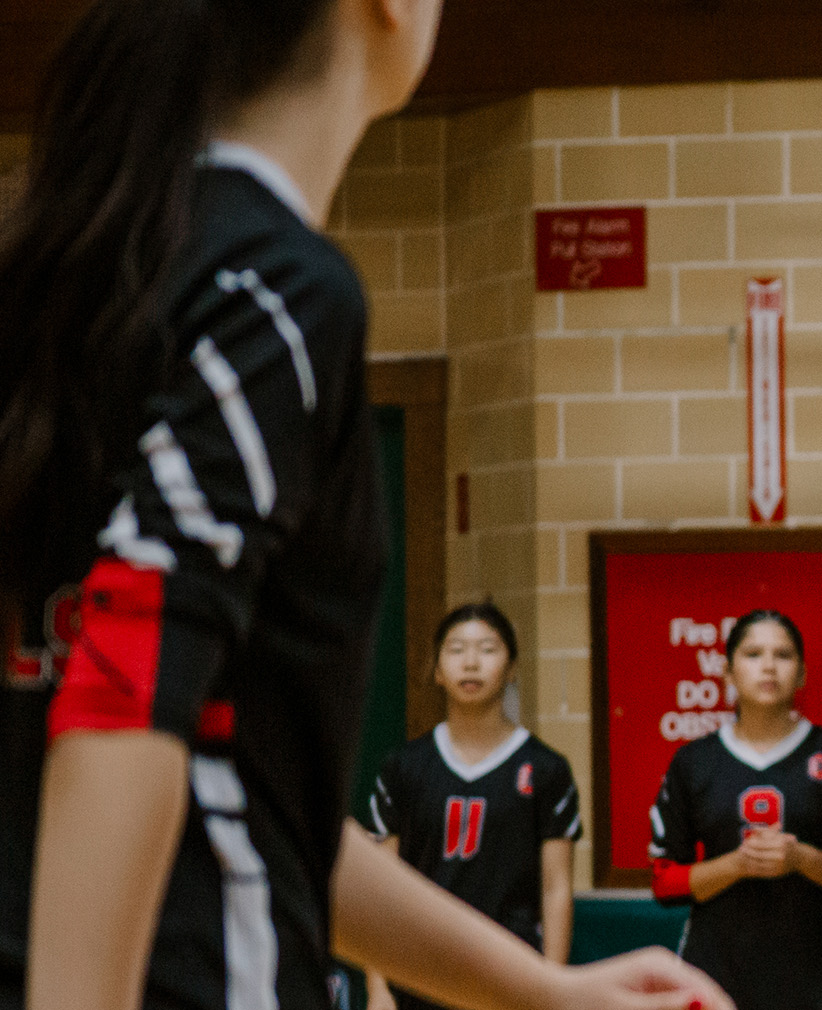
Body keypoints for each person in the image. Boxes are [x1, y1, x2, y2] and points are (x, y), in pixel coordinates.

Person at [0, 0, 726, 1007]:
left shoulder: (67, 276)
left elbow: (259, 814)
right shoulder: (277, 293)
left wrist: (549, 989)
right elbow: (124, 688)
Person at [648, 609, 822, 1010]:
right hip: (714, 982)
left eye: (783, 655)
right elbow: (665, 884)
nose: (768, 666)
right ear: (728, 673)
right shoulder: (694, 762)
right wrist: (736, 865)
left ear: (803, 673)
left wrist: (802, 858)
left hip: (817, 986)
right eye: (753, 654)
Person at [360, 604, 583, 1009]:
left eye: (487, 649)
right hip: (419, 970)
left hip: (512, 970)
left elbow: (556, 889)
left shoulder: (547, 769)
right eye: (457, 649)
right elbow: (381, 881)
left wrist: (553, 989)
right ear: (437, 671)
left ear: (512, 667)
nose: (472, 662)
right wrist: (377, 989)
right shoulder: (405, 767)